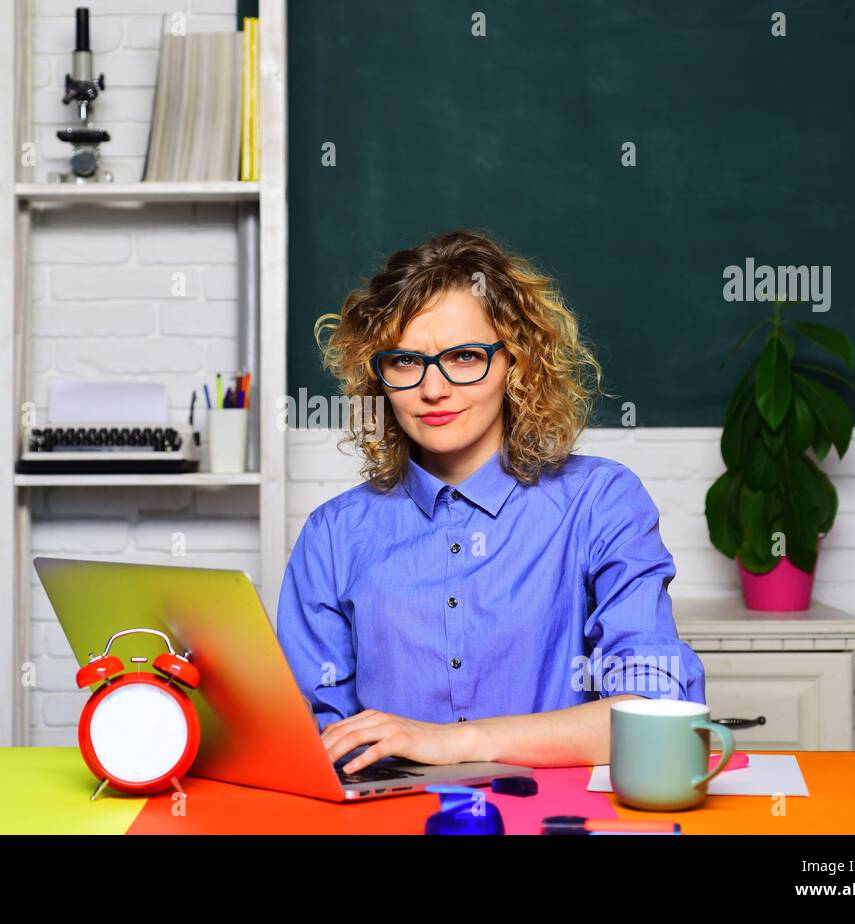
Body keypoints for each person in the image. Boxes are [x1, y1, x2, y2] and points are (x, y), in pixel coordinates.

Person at [276, 229, 706, 774]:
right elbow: (311, 741)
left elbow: (656, 711)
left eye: (463, 356)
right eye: (405, 362)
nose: (433, 390)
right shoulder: (333, 534)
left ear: (516, 364)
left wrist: (455, 741)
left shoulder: (600, 502)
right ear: (378, 377)